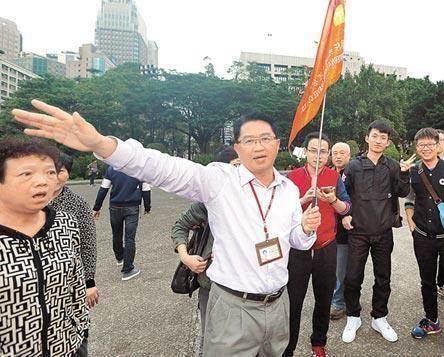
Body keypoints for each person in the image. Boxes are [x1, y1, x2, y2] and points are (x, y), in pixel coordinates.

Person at [12, 101, 322, 357]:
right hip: (234, 309)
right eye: (249, 140)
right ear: (237, 148)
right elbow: (163, 168)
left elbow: (297, 241)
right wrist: (103, 145)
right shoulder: (220, 181)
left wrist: (306, 230)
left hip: (278, 304)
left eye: (266, 138)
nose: (259, 146)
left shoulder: (289, 190)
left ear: (278, 143)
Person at [0, 138, 90, 356]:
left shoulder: (65, 223)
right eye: (26, 174)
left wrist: (81, 334)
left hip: (67, 348)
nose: (43, 182)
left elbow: (76, 287)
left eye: (50, 172)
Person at [341, 119, 412, 344]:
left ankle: (379, 317)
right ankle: (353, 316)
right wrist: (345, 214)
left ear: (388, 142)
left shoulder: (392, 166)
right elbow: (344, 194)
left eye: (383, 137)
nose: (379, 140)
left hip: (383, 231)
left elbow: (402, 192)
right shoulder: (353, 165)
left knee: (383, 277)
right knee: (353, 277)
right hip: (358, 231)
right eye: (375, 136)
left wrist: (404, 173)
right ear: (367, 138)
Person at [284, 132, 351, 357]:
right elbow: (280, 212)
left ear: (328, 154)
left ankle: (319, 343)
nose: (318, 156)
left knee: (324, 299)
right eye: (313, 151)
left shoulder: (334, 176)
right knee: (293, 300)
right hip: (297, 248)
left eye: (323, 152)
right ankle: (288, 346)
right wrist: (303, 200)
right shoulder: (292, 177)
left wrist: (333, 200)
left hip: (326, 244)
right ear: (305, 152)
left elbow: (346, 208)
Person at [171, 147, 240, 357]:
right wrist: (186, 257)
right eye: (235, 166)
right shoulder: (207, 203)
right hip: (210, 283)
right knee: (210, 338)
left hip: (242, 286)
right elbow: (180, 226)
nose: (238, 172)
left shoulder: (251, 200)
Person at [405, 127, 444, 339]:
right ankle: (431, 320)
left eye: (430, 144)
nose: (426, 148)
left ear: (438, 145)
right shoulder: (413, 171)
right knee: (427, 280)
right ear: (417, 147)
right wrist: (411, 224)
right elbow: (408, 198)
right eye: (421, 145)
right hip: (423, 235)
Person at [51, 152, 99, 308]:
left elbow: (88, 243)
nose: (55, 176)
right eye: (50, 171)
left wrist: (89, 282)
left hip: (70, 277)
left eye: (60, 171)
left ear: (68, 174)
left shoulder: (79, 204)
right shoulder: (28, 201)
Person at [92, 164, 152, 281]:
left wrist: (97, 207)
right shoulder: (140, 168)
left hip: (115, 206)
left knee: (116, 234)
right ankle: (128, 269)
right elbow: (146, 189)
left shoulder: (112, 167)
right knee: (129, 238)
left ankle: (120, 257)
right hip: (132, 207)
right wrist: (147, 207)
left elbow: (103, 188)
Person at [329, 141, 352, 320]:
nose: (337, 156)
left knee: (341, 269)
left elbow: (356, 200)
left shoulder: (353, 174)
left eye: (342, 153)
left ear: (349, 156)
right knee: (331, 268)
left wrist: (348, 214)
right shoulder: (329, 173)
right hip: (328, 230)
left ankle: (339, 302)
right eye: (335, 153)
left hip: (346, 231)